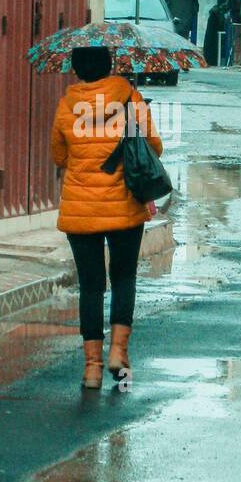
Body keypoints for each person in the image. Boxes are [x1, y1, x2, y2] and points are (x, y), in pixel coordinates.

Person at [51, 46, 163, 389]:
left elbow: (59, 155)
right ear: (109, 65)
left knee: (91, 286)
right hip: (124, 207)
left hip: (81, 209)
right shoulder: (129, 98)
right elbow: (153, 147)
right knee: (124, 277)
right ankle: (118, 352)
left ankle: (92, 369)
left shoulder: (67, 104)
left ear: (76, 69)